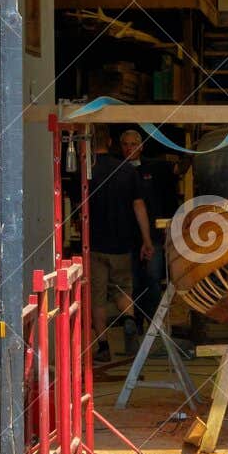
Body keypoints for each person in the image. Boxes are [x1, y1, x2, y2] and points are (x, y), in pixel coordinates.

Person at [86, 128, 153, 363]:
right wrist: (147, 240)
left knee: (98, 297)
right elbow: (139, 206)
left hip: (94, 244)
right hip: (123, 243)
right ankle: (129, 320)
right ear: (111, 141)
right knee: (124, 289)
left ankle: (103, 346)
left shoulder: (86, 171)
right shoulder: (126, 169)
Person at [118, 128, 178, 347]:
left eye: (133, 144)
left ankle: (155, 326)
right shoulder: (118, 171)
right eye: (125, 144)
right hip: (128, 238)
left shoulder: (157, 169)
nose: (129, 148)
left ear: (141, 146)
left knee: (153, 279)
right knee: (133, 282)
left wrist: (169, 224)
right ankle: (137, 324)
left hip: (154, 235)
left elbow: (169, 197)